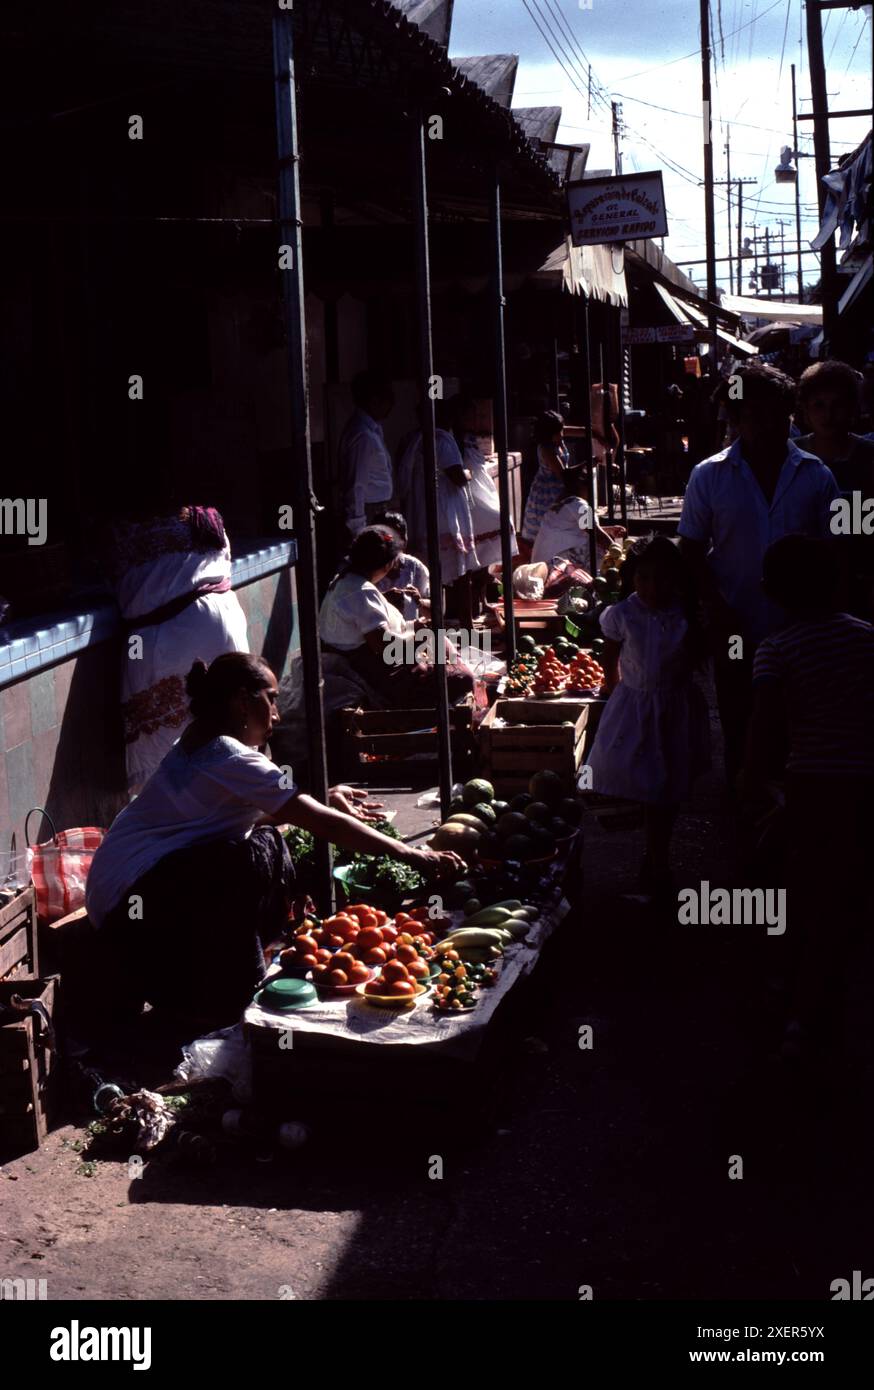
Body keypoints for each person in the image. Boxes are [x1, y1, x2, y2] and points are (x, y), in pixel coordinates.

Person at [85, 653, 465, 1027]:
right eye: (271, 699)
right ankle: (227, 992)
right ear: (240, 700)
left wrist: (323, 799)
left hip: (119, 901)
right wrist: (413, 856)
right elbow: (321, 823)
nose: (277, 714)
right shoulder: (228, 755)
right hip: (134, 910)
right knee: (261, 852)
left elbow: (234, 813)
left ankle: (197, 987)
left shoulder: (197, 740)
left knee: (257, 842)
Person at [742, 536, 874, 1061]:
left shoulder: (775, 649)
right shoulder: (868, 638)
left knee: (804, 890)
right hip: (864, 785)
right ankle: (828, 992)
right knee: (849, 890)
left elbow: (765, 727)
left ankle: (798, 1006)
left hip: (812, 788)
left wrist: (751, 781)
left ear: (769, 592)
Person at [678, 363, 839, 781]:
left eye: (776, 415)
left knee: (799, 719)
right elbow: (691, 549)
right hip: (734, 629)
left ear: (791, 415)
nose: (766, 425)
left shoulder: (818, 476)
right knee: (737, 712)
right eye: (753, 415)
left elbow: (833, 549)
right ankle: (742, 805)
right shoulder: (708, 476)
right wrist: (715, 607)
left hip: (799, 628)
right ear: (735, 419)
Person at [584, 536, 710, 899]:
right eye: (644, 579)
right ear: (632, 579)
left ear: (676, 579)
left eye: (662, 579)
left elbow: (697, 656)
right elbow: (609, 657)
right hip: (635, 707)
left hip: (675, 708)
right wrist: (612, 692)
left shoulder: (685, 614)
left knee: (667, 786)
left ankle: (657, 858)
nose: (653, 588)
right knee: (636, 781)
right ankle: (654, 856)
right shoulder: (623, 614)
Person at [102, 504, 248, 796]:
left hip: (163, 638)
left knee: (167, 747)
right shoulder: (207, 520)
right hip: (222, 618)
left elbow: (111, 581)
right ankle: (235, 800)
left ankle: (181, 813)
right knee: (228, 717)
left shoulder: (122, 533)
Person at [318, 524, 472, 708]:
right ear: (387, 564)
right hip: (379, 677)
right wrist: (414, 633)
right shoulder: (360, 591)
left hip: (369, 664)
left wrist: (409, 626)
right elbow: (383, 645)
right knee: (463, 677)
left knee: (439, 642)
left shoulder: (342, 580)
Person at [395, 407, 479, 622]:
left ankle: (439, 621)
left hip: (420, 511)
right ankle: (466, 624)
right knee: (459, 572)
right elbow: (457, 476)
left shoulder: (411, 439)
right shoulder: (442, 439)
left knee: (432, 571)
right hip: (443, 513)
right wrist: (469, 473)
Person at [446, 394, 518, 580]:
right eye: (469, 415)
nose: (474, 419)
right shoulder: (453, 440)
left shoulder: (470, 438)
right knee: (493, 526)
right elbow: (460, 470)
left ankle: (484, 587)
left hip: (481, 489)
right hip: (472, 497)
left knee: (499, 526)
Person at [794, 359, 874, 493]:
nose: (828, 415)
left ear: (851, 408)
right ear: (806, 409)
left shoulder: (869, 456)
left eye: (837, 405)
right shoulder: (791, 456)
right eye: (819, 405)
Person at [338, 370, 395, 541]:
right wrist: (358, 529)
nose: (391, 405)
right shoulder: (363, 435)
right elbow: (356, 485)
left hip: (376, 510)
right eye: (387, 399)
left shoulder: (372, 431)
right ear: (374, 400)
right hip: (369, 512)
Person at [531, 464, 614, 571]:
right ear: (581, 486)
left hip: (541, 562)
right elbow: (597, 534)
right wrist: (619, 552)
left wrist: (610, 530)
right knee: (598, 549)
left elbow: (583, 529)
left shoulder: (562, 503)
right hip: (552, 564)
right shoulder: (579, 505)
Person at [520, 411, 571, 550]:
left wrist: (593, 432)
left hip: (558, 490)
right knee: (546, 531)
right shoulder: (547, 449)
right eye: (559, 432)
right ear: (550, 434)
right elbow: (564, 475)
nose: (562, 434)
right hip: (547, 494)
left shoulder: (557, 439)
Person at [372, 510, 430, 622]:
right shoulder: (367, 569)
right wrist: (383, 600)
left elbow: (436, 612)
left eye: (400, 536)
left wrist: (419, 602)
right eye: (389, 537)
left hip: (411, 635)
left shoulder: (415, 567)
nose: (396, 542)